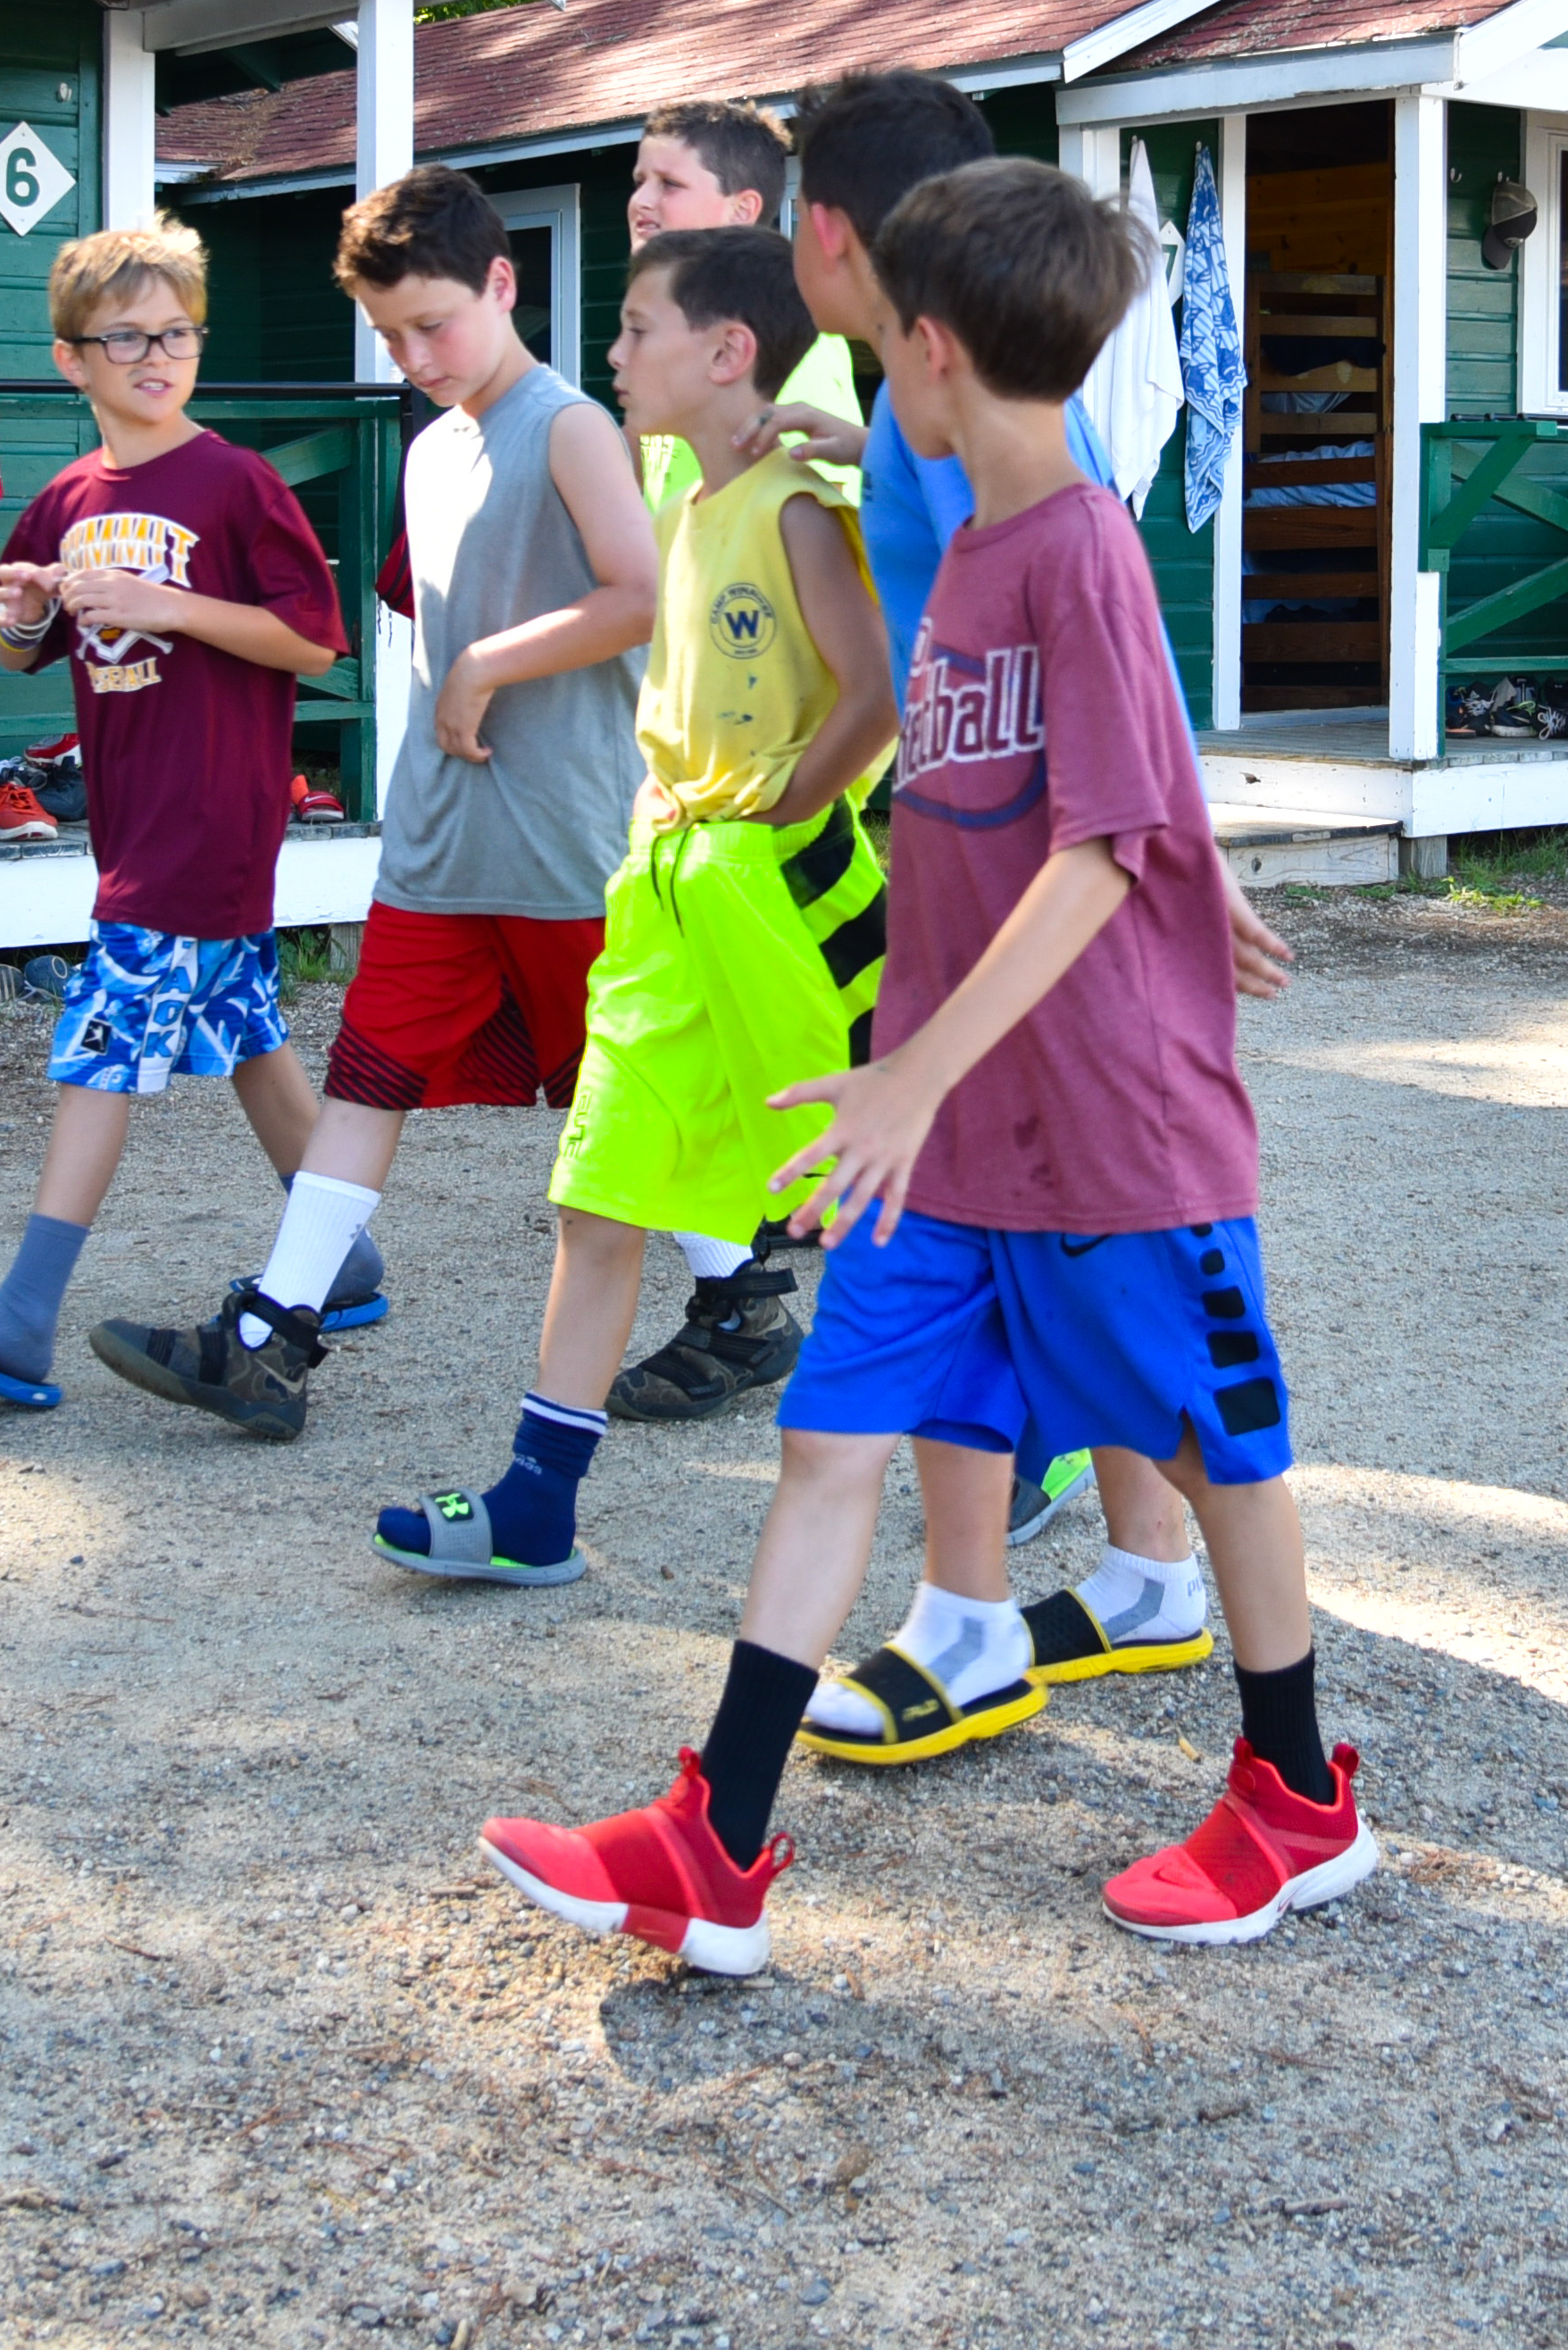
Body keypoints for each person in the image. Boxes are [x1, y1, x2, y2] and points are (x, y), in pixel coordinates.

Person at [474, 156, 1380, 1971]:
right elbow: (1105, 783)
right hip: (945, 1130)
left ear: (937, 349)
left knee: (1216, 1447)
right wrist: (942, 1063)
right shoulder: (967, 549)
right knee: (827, 1440)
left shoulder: (1081, 547)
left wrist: (920, 1064)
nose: (868, 375)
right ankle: (713, 1841)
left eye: (881, 342)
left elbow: (1098, 846)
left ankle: (1297, 1798)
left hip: (1109, 1123)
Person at [764, 68, 1285, 1749]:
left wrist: (1177, 851)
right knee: (1015, 1281)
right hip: (988, 912)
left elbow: (1100, 699)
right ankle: (1122, 1579)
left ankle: (1002, 1620)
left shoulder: (1006, 477)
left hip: (1034, 937)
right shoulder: (927, 436)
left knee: (1087, 1304)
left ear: (841, 244)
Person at [88, 166, 657, 1440]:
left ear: (503, 284)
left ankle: (743, 1289)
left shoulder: (570, 426)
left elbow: (641, 593)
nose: (415, 357)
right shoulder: (433, 445)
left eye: (433, 325)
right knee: (369, 1071)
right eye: (390, 336)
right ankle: (270, 1338)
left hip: (569, 838)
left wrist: (488, 664)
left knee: (621, 1093)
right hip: (441, 838)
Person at [379, 226, 897, 1580]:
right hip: (662, 895)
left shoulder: (794, 506)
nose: (611, 353)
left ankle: (1042, 1432)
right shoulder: (687, 508)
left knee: (873, 1203)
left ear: (728, 352)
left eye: (635, 329)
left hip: (776, 899)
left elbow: (877, 690)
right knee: (599, 1194)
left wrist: (783, 812)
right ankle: (536, 1503)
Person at [0, 223, 362, 1406]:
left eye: (177, 334)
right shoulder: (68, 497)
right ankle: (341, 1259)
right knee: (243, 1024)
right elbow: (17, 645)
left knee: (101, 1038)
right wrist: (24, 612)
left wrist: (168, 603)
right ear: (71, 359)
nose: (157, 357)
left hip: (211, 810)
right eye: (127, 338)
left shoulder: (237, 483)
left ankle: (22, 1316)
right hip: (131, 812)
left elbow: (312, 640)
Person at [625, 101, 865, 525]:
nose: (640, 202)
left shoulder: (794, 334)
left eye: (670, 184)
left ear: (741, 211)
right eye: (640, 181)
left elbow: (818, 505)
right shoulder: (669, 330)